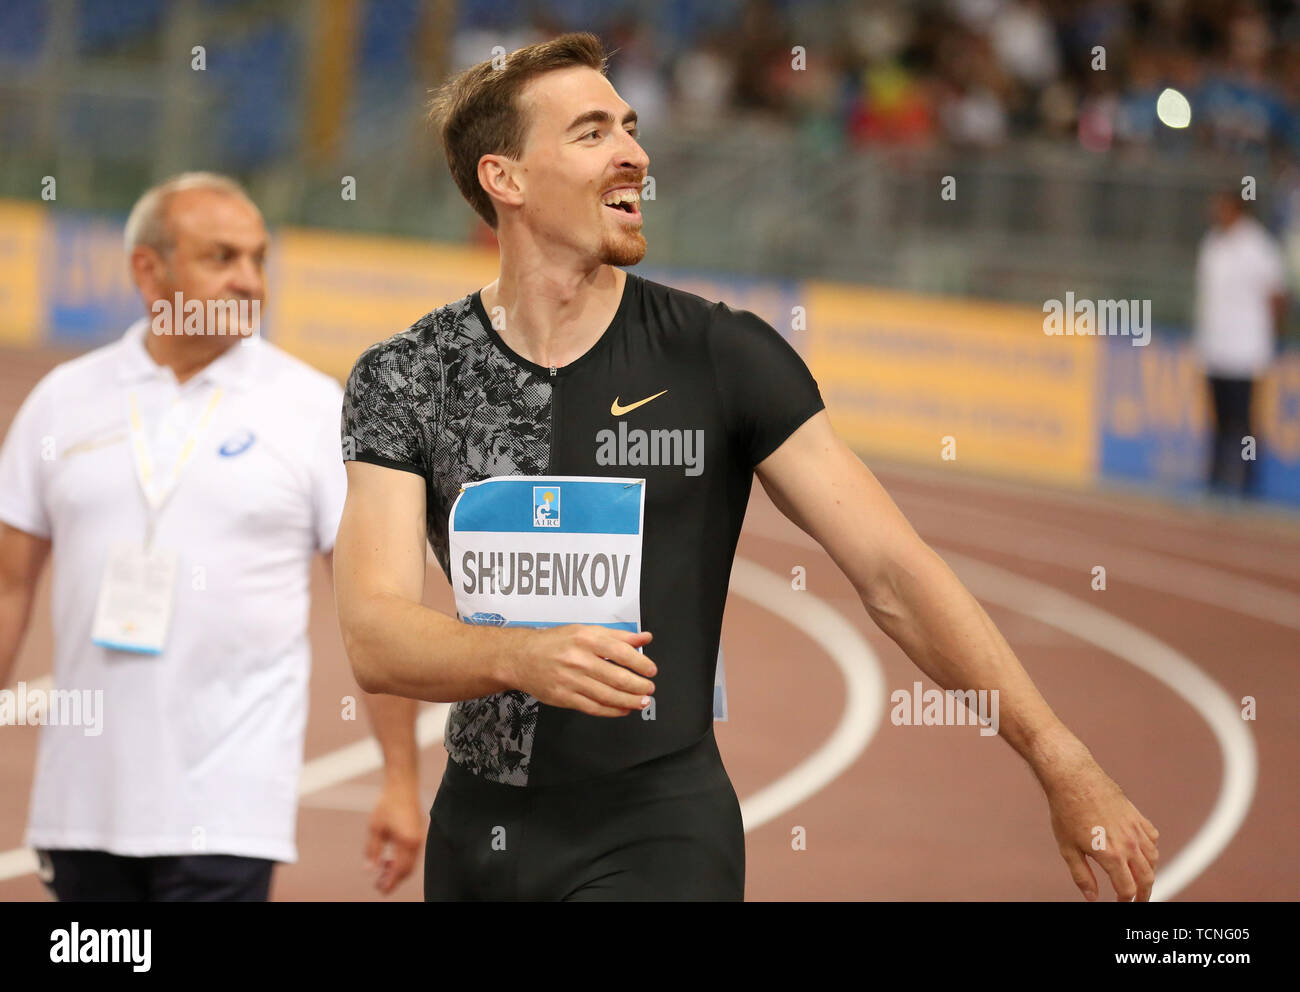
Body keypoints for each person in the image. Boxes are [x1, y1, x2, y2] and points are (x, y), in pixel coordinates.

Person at [334, 33, 1159, 902]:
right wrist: (522, 657)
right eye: (591, 133)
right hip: (479, 840)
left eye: (629, 126)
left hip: (657, 830)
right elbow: (376, 633)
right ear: (504, 179)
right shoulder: (407, 375)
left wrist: (1060, 757)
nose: (634, 154)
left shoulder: (721, 355)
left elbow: (893, 571)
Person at [0, 173, 422, 901]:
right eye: (221, 258)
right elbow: (8, 587)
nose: (249, 281)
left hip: (228, 810)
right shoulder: (62, 401)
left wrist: (399, 778)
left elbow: (376, 609)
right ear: (148, 268)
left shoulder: (315, 411)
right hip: (80, 807)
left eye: (259, 259)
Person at [1193, 188, 1288, 498]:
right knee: (1218, 418)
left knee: (1244, 421)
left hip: (1246, 349)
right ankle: (1216, 476)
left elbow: (1277, 296)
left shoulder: (1258, 247)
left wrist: (1268, 336)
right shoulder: (1213, 243)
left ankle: (1247, 479)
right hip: (1215, 347)